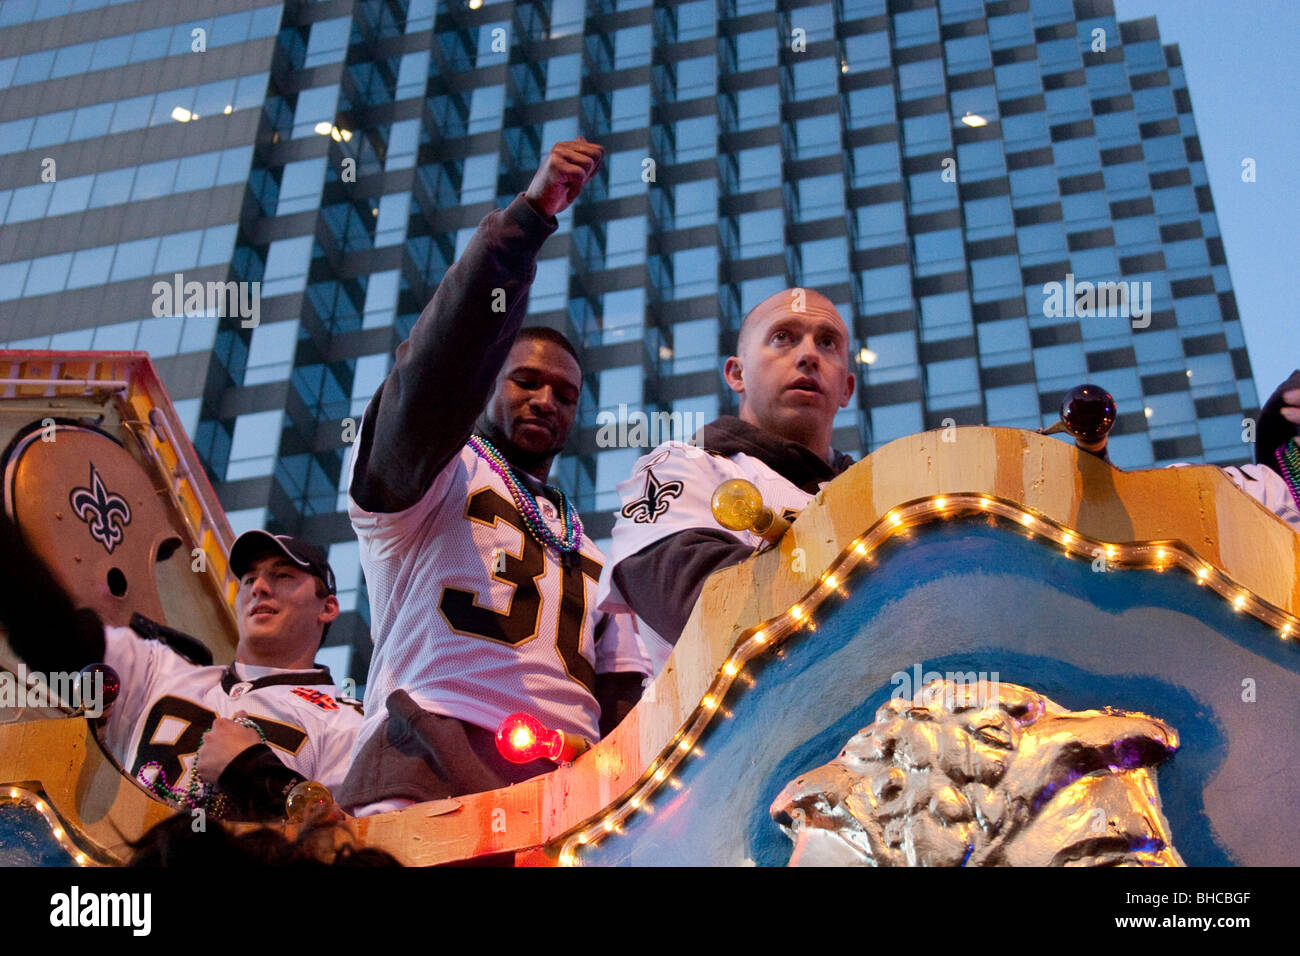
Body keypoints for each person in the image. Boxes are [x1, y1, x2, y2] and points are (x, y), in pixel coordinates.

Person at [338, 139, 650, 815]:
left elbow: (628, 700)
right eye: (525, 381)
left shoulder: (589, 549)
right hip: (423, 770)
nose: (546, 400)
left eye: (565, 395)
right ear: (488, 387)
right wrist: (525, 226)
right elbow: (439, 368)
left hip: (566, 801)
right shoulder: (432, 477)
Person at [0, 518, 361, 821]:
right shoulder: (157, 669)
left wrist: (251, 771)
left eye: (282, 576)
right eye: (249, 579)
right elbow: (50, 634)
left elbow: (354, 845)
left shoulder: (349, 723)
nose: (260, 588)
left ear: (328, 607)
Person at [596, 287, 858, 674]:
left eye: (827, 342)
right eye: (782, 337)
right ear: (737, 373)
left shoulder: (880, 494)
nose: (808, 355)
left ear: (846, 388)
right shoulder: (680, 466)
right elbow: (705, 609)